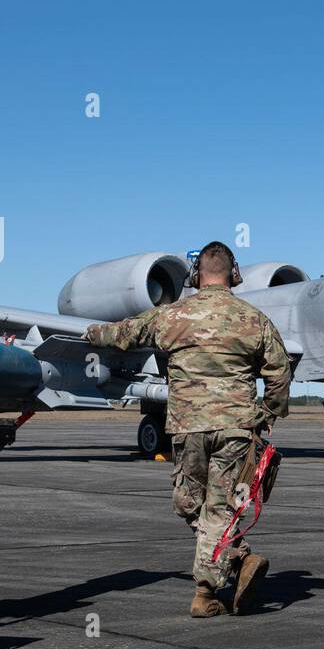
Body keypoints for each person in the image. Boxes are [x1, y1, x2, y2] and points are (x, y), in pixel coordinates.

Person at [86, 241, 292, 617]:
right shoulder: (253, 319)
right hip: (237, 429)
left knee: (199, 505)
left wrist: (91, 334)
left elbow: (123, 334)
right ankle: (237, 558)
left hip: (189, 428)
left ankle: (205, 593)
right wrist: (269, 413)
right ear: (235, 274)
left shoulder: (172, 316)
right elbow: (280, 372)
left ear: (195, 277)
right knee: (203, 506)